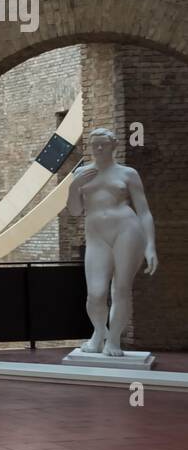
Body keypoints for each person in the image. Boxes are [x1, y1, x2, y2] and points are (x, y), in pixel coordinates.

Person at [67, 127, 158, 356]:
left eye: (103, 144)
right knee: (96, 293)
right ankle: (99, 333)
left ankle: (114, 340)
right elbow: (75, 211)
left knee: (121, 288)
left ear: (113, 146)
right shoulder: (83, 174)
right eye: (95, 144)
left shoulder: (128, 173)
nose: (98, 148)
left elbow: (144, 211)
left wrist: (150, 245)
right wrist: (74, 187)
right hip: (96, 235)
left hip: (127, 229)